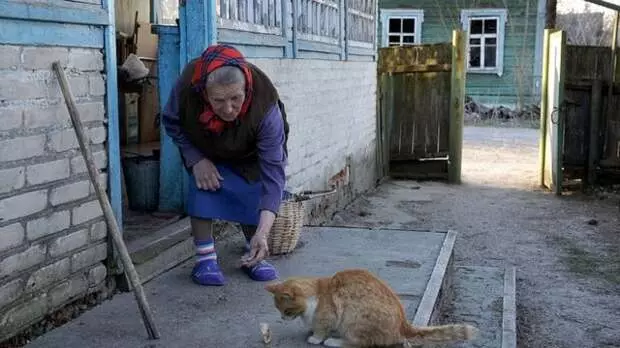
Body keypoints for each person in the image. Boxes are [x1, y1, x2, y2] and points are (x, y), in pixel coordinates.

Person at [161, 44, 290, 286]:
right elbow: (171, 121)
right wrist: (196, 159)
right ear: (204, 92)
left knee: (254, 188)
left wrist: (264, 234)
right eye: (218, 100)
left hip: (250, 156)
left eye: (236, 98)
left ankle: (255, 252)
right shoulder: (189, 86)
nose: (228, 109)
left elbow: (273, 175)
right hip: (207, 148)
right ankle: (205, 259)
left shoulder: (265, 108)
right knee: (205, 185)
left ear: (246, 88)